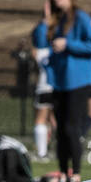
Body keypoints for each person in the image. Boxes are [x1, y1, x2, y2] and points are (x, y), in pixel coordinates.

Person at [41, 0, 91, 182]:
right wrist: (46, 19)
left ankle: (76, 174)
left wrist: (68, 44)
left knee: (71, 127)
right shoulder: (57, 20)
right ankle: (63, 173)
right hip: (60, 82)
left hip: (79, 81)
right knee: (59, 129)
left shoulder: (81, 17)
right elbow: (41, 41)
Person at [29, 10, 56, 159]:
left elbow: (38, 34)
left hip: (44, 86)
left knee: (40, 119)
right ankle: (61, 150)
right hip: (59, 87)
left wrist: (45, 19)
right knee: (55, 119)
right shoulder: (57, 50)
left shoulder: (39, 52)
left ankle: (42, 153)